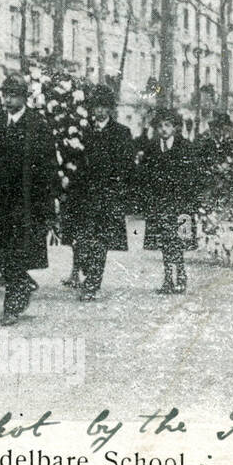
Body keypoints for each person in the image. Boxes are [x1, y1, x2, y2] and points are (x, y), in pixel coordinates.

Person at [0, 73, 54, 325]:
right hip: (0, 203)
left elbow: (49, 167)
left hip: (27, 202)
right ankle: (22, 286)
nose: (7, 100)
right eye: (5, 94)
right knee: (1, 254)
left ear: (24, 97)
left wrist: (47, 205)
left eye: (13, 95)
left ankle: (12, 306)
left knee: (17, 253)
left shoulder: (38, 125)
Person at [66, 84, 132, 302]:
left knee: (100, 242)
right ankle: (87, 272)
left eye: (104, 107)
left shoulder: (122, 133)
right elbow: (75, 162)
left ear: (110, 109)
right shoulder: (83, 132)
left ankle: (93, 282)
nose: (100, 111)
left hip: (107, 195)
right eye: (97, 107)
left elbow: (126, 166)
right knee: (83, 240)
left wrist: (117, 189)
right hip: (85, 195)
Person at [140, 108, 199, 294]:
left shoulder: (186, 147)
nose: (164, 129)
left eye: (168, 125)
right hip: (160, 202)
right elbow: (145, 175)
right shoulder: (151, 148)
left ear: (175, 127)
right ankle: (167, 279)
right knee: (164, 241)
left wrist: (190, 200)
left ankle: (181, 274)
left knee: (179, 240)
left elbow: (192, 177)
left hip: (181, 203)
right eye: (160, 126)